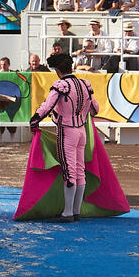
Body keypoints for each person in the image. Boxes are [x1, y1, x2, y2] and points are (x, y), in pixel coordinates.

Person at [25, 52, 99, 223]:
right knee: (80, 171)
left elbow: (47, 106)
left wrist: (34, 121)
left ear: (58, 70)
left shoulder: (61, 86)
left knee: (69, 171)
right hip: (82, 132)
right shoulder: (85, 84)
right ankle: (76, 211)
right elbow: (95, 109)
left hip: (67, 131)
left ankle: (67, 213)